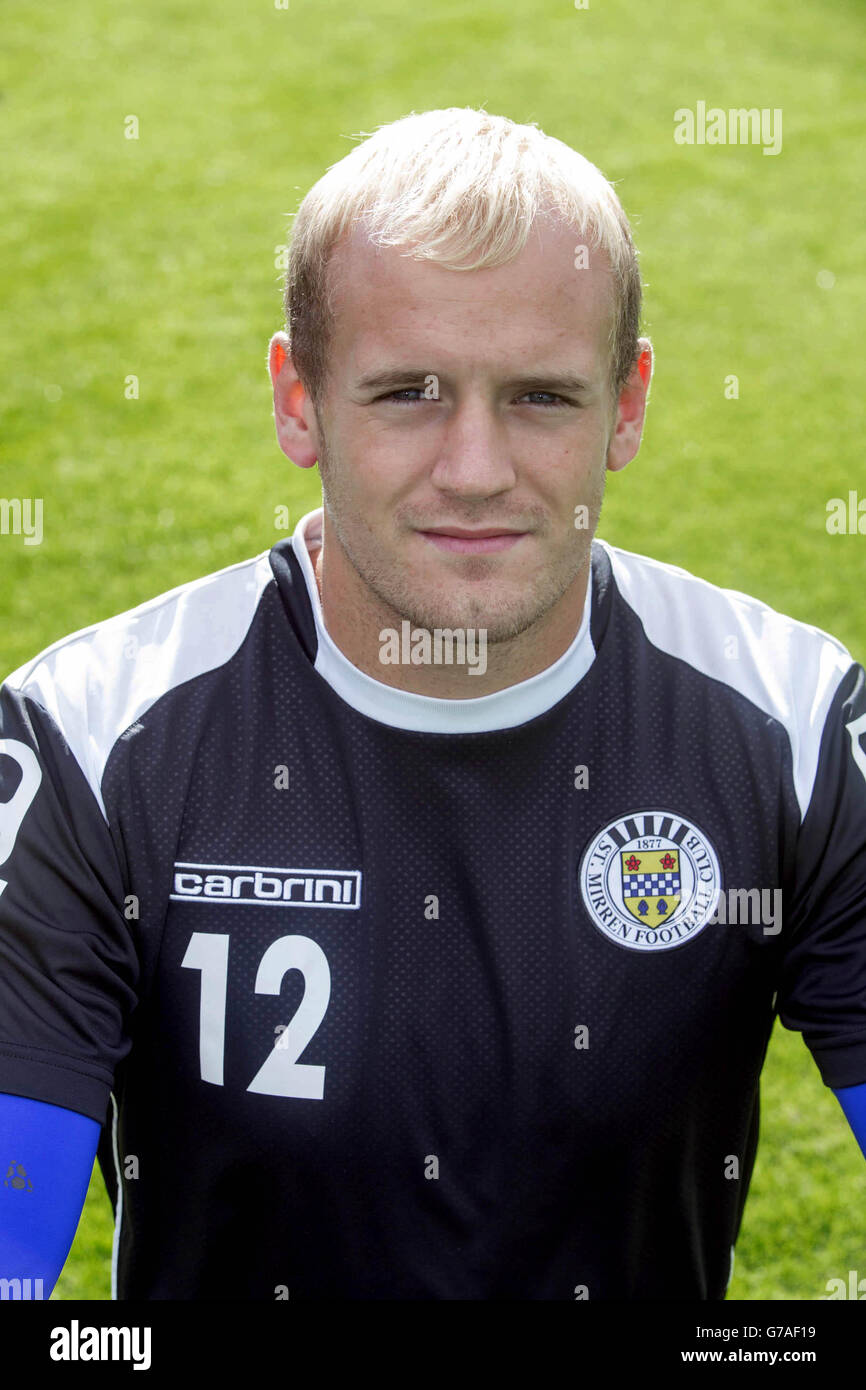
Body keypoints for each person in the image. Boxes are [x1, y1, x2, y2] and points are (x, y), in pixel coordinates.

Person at [1, 107, 864, 1302]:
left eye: (541, 398)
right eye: (407, 392)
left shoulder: (798, 728)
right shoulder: (84, 743)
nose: (473, 469)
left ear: (626, 403)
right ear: (297, 400)